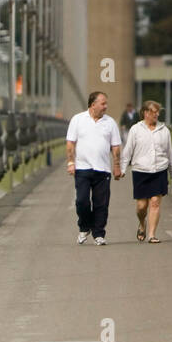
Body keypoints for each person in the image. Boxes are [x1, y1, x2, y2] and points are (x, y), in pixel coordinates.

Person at [117, 99, 172, 243]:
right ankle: (142, 223)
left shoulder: (164, 130)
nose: (156, 115)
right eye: (153, 112)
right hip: (141, 170)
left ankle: (152, 234)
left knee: (155, 202)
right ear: (145, 113)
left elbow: (170, 154)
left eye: (158, 112)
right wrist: (122, 169)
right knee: (141, 206)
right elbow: (128, 151)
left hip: (159, 170)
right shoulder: (136, 129)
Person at [65, 91, 122, 245]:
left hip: (103, 170)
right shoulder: (78, 120)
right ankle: (84, 227)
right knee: (82, 201)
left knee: (101, 204)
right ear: (92, 104)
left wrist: (117, 166)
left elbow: (115, 147)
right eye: (103, 103)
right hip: (82, 168)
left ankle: (98, 233)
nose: (106, 106)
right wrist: (71, 163)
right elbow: (70, 144)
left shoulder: (110, 123)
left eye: (106, 103)